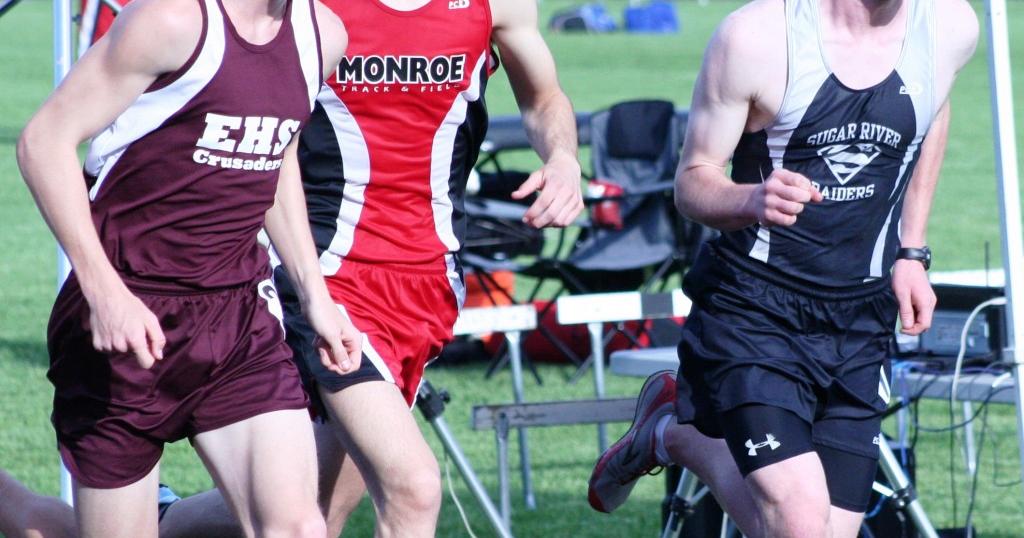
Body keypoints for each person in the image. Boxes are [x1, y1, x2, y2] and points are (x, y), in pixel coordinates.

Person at [588, 0, 978, 536]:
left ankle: (673, 433)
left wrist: (912, 251)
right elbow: (693, 181)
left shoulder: (951, 25)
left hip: (860, 316)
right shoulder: (755, 39)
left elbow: (936, 107)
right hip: (754, 308)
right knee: (797, 519)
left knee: (822, 529)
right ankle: (676, 434)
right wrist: (752, 200)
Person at [15, 0, 361, 535]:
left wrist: (317, 297)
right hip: (129, 315)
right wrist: (106, 294)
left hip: (239, 317)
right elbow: (44, 142)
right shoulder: (170, 21)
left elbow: (276, 151)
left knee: (297, 527)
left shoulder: (323, 35)